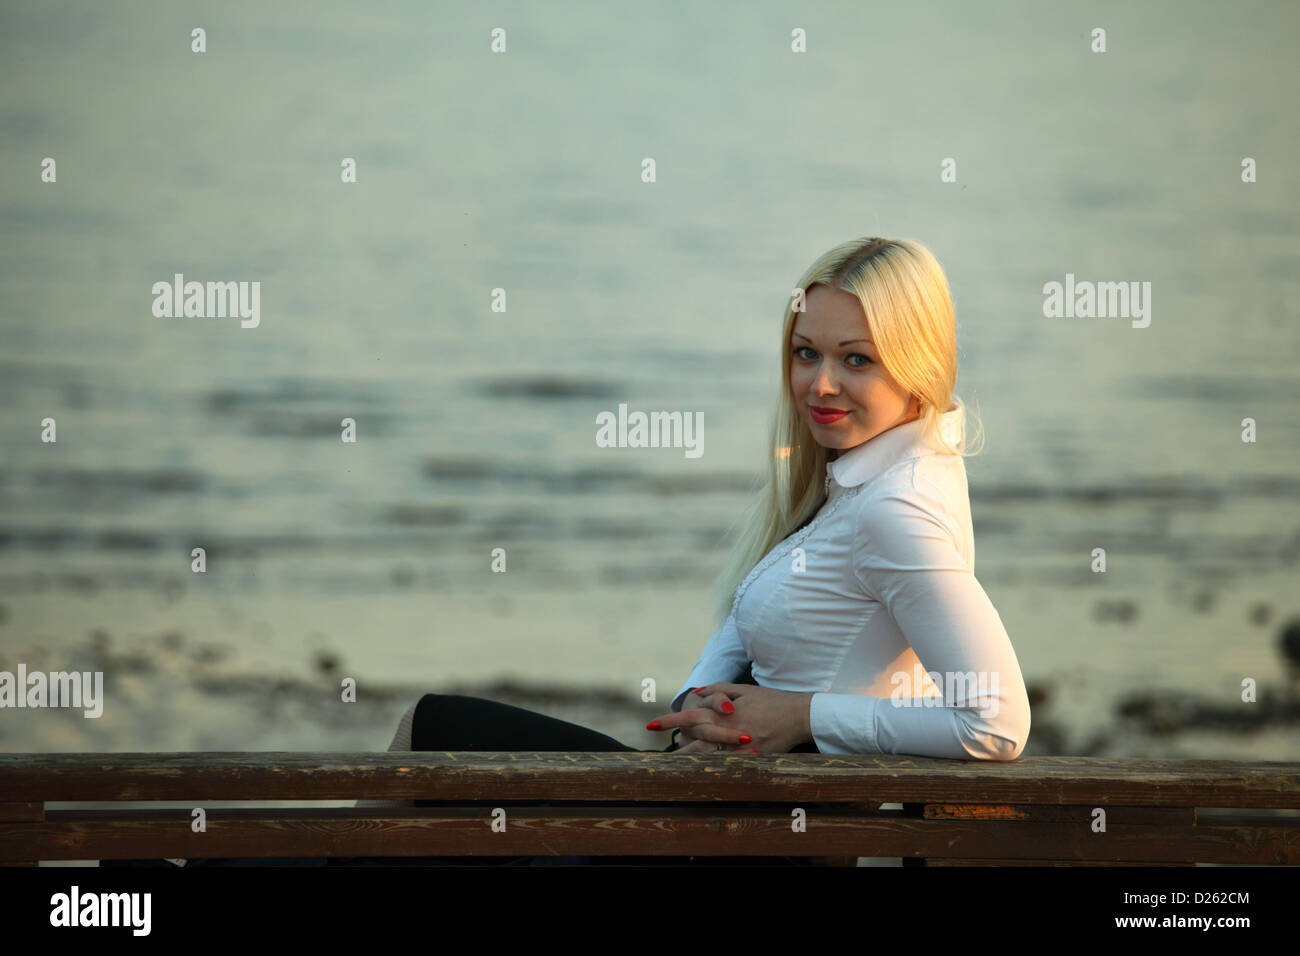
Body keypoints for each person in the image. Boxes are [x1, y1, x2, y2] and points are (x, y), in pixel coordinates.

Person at [351, 235, 1032, 865]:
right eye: (806, 353)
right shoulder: (872, 473)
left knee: (431, 730)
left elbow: (996, 721)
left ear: (917, 363)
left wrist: (799, 715)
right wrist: (701, 696)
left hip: (744, 838)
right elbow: (754, 612)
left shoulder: (895, 509)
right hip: (722, 804)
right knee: (439, 764)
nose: (820, 384)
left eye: (857, 359)